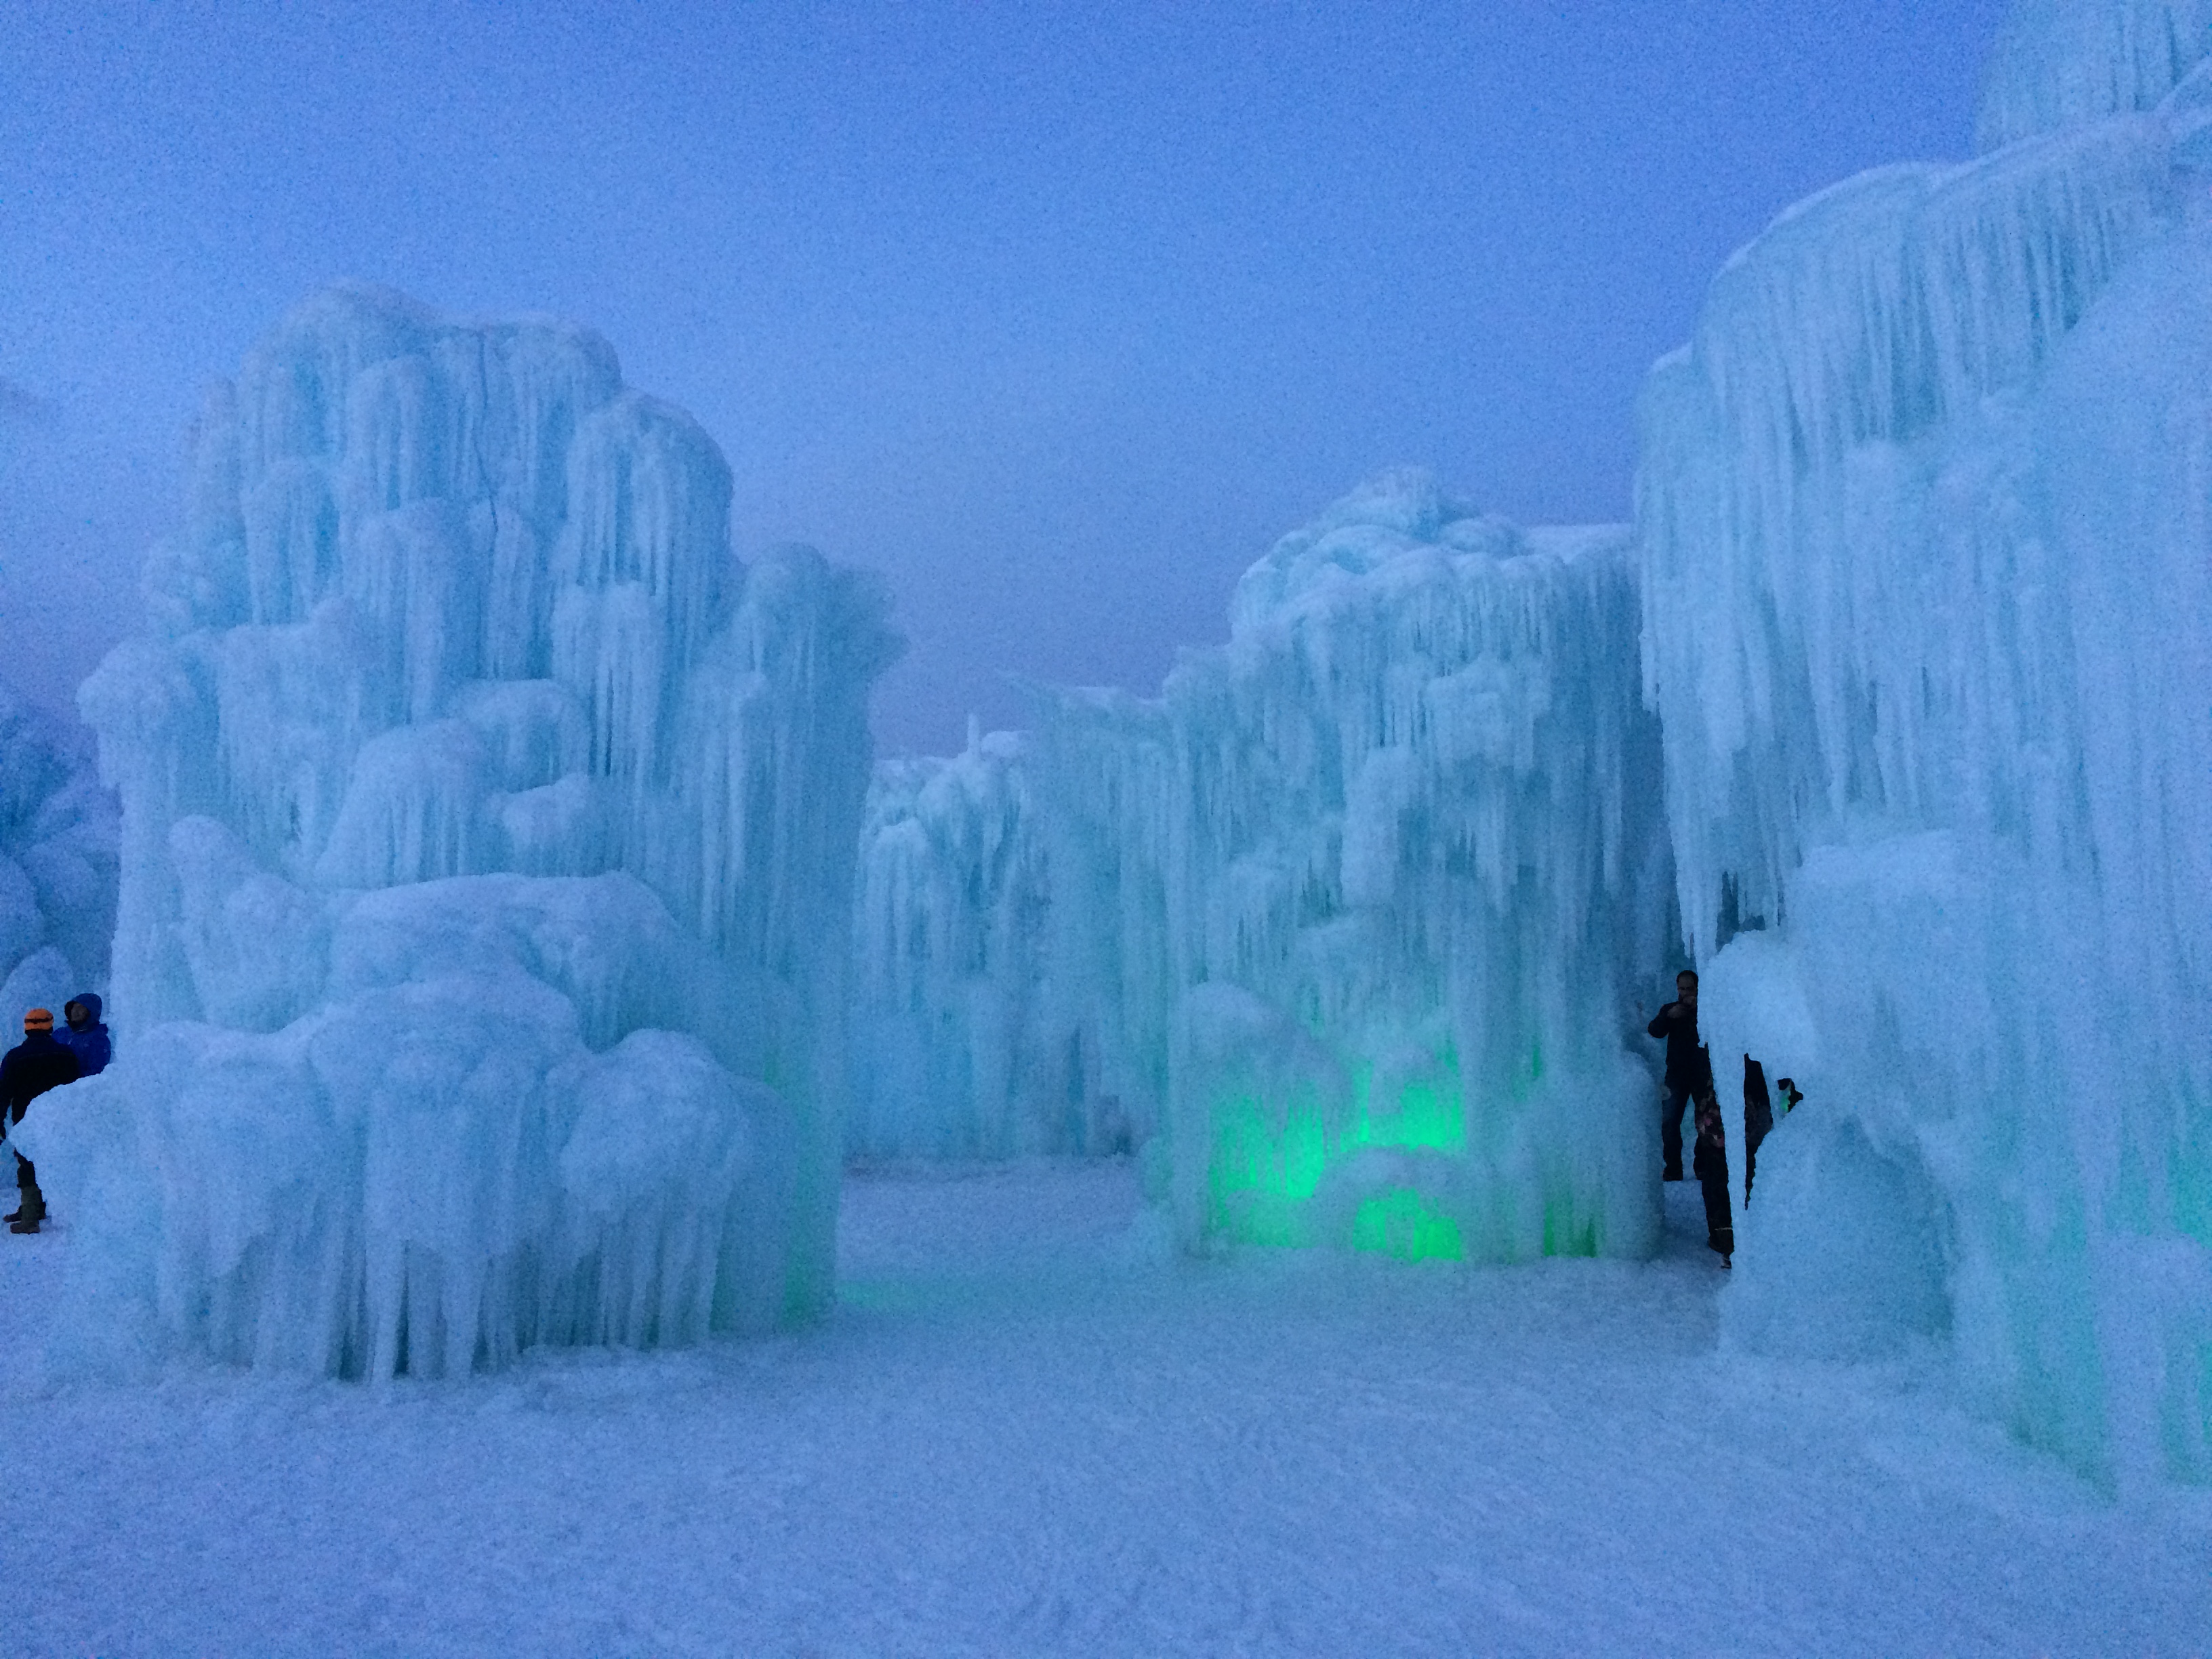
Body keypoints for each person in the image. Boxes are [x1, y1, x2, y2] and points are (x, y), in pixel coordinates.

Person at [1, 1008, 80, 1233]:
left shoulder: (15, 1057)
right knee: (51, 1159)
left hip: (26, 1118)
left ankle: (29, 1217)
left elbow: (3, 1091)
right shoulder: (66, 1054)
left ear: (26, 1028)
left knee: (27, 1164)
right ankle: (38, 1208)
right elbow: (74, 1087)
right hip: (58, 1118)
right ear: (51, 1026)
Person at [1645, 970, 1710, 1181]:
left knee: (1704, 1121)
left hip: (1702, 1074)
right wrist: (1668, 1016)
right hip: (1677, 1075)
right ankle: (1673, 1167)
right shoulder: (1670, 1010)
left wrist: (1698, 1010)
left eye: (1689, 989)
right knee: (1669, 1121)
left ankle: (1702, 1165)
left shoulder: (1708, 1010)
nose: (1684, 993)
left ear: (1698, 988)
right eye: (1681, 989)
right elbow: (1654, 1031)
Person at [1692, 1088, 1734, 1267]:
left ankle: (1724, 1236)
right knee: (1717, 1175)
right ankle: (1723, 1236)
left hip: (1725, 1102)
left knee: (1718, 1175)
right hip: (1724, 1103)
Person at [1742, 1055, 1774, 1205]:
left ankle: (1753, 1196)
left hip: (1760, 1097)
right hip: (1754, 1096)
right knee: (1752, 1148)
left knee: (1757, 1147)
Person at [58, 993, 110, 1077]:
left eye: (81, 1008)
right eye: (74, 1007)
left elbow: (97, 1073)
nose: (76, 1012)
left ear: (91, 1012)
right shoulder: (60, 1034)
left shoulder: (98, 1040)